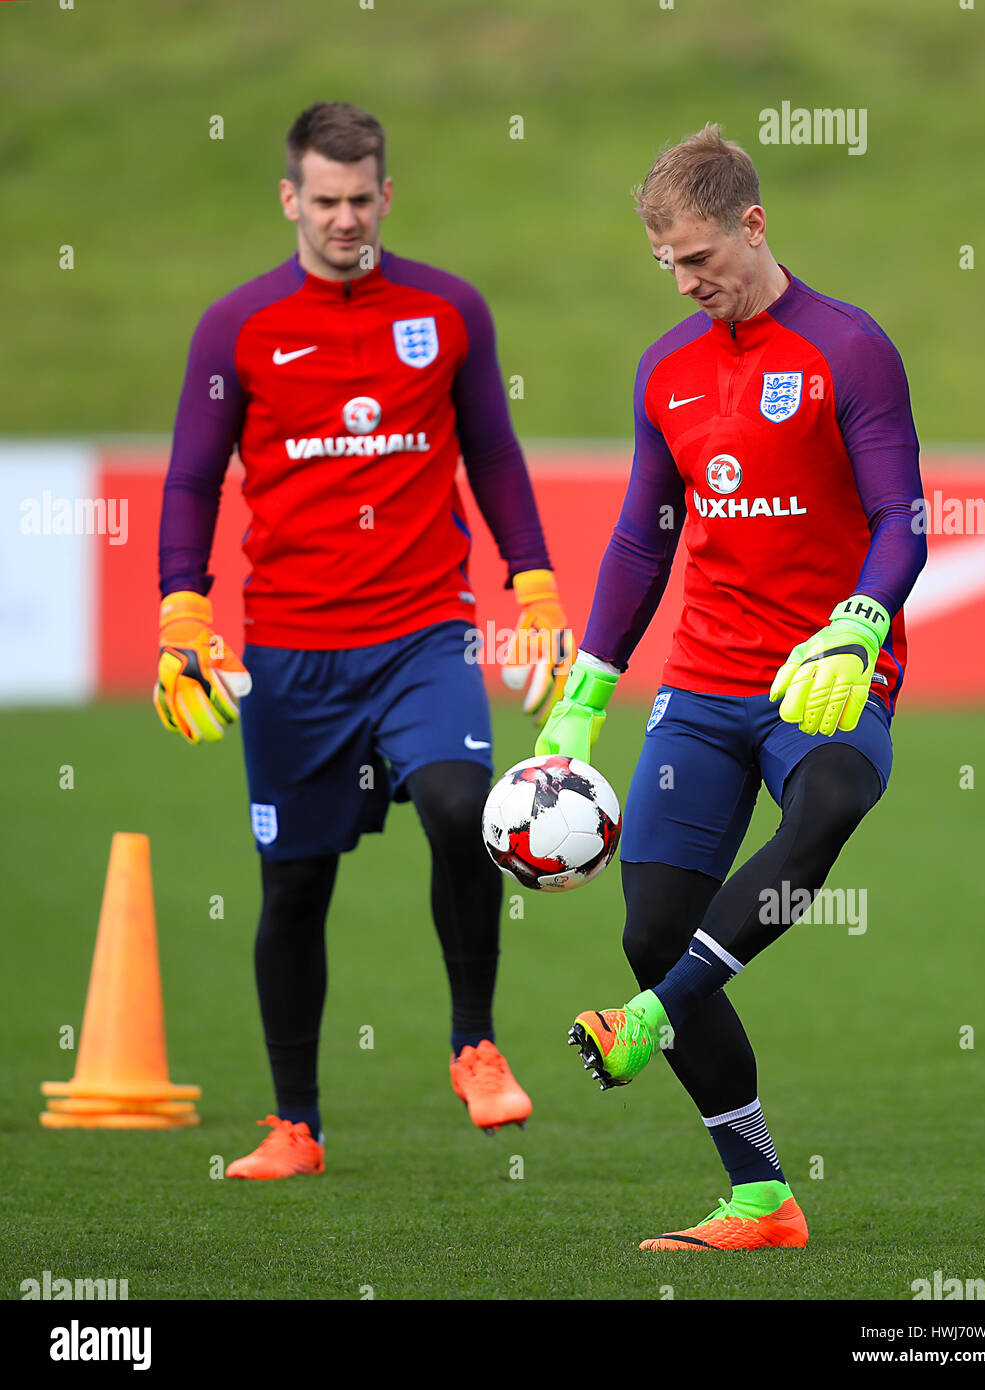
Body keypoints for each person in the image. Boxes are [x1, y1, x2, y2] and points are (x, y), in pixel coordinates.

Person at [154, 101, 571, 1178]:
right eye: (324, 200)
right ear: (289, 199)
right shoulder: (235, 327)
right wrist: (181, 612)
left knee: (458, 805)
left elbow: (494, 454)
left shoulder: (448, 310)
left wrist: (532, 590)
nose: (345, 218)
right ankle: (296, 1125)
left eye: (361, 198)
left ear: (387, 194)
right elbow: (194, 478)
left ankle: (473, 1042)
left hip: (422, 632)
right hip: (290, 654)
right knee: (294, 885)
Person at [538, 124, 926, 1250]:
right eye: (668, 264)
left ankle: (650, 1022)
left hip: (823, 671)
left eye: (700, 256)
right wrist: (584, 692)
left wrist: (859, 621)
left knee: (832, 804)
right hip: (704, 678)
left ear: (752, 225)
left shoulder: (848, 351)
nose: (687, 280)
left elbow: (901, 516)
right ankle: (759, 1194)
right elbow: (639, 541)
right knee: (650, 925)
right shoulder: (668, 368)